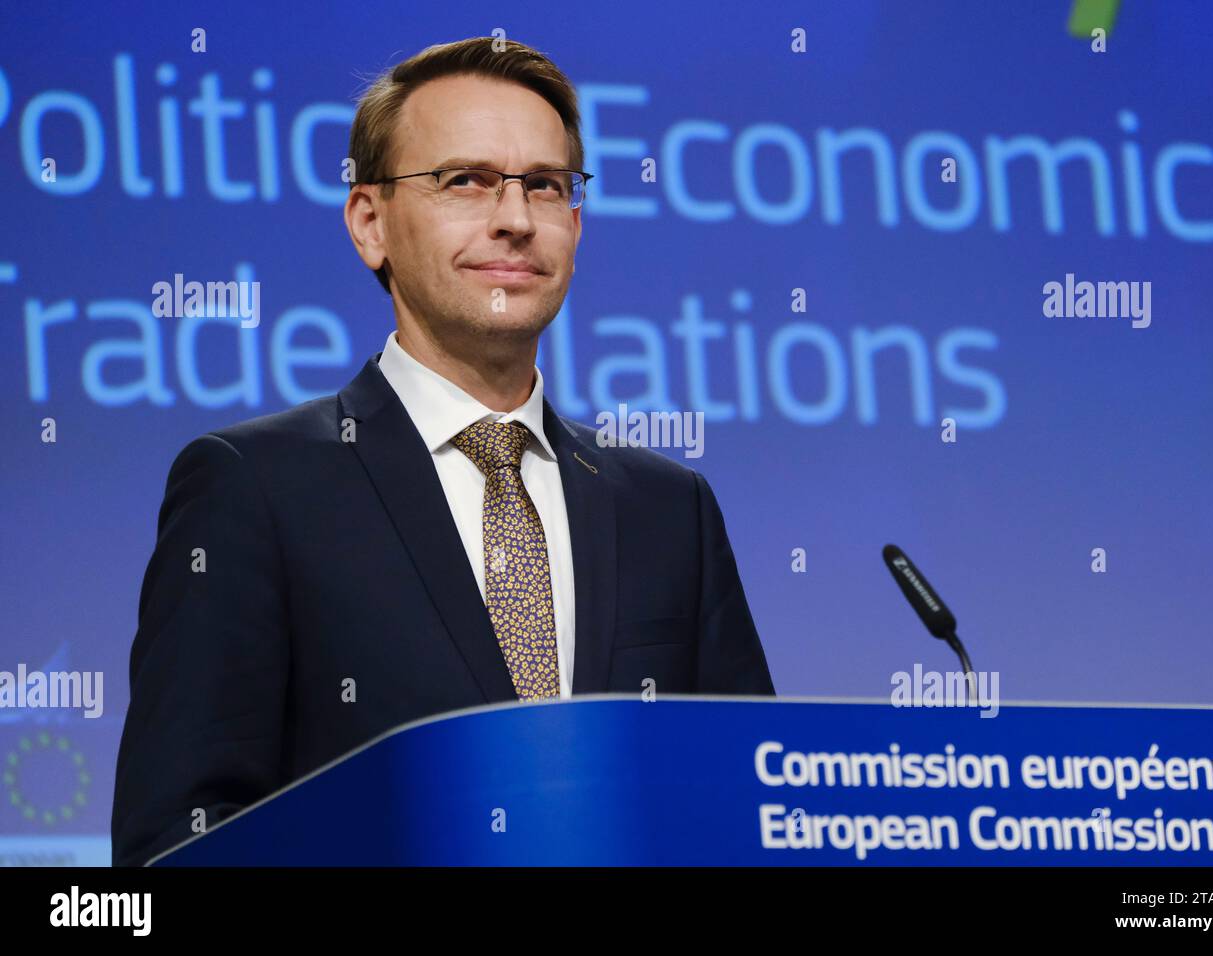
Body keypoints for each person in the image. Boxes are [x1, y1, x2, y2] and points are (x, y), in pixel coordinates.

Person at [111, 36, 774, 868]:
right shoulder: (254, 487)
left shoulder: (668, 508)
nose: (515, 217)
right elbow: (174, 842)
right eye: (465, 180)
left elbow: (749, 811)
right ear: (369, 222)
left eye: (545, 185)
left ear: (576, 224)